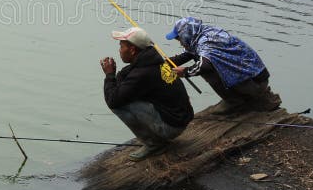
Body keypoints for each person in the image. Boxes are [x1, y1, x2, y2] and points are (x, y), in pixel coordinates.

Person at [101, 26, 194, 161]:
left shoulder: (142, 73)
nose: (119, 50)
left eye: (122, 46)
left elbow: (112, 100)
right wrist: (115, 77)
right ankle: (156, 139)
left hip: (172, 127)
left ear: (132, 50)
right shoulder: (153, 60)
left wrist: (109, 75)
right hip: (181, 118)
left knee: (118, 105)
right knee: (123, 95)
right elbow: (125, 77)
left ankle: (154, 144)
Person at [165, 17, 281, 114]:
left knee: (207, 69)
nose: (180, 42)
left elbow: (204, 66)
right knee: (200, 60)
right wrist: (162, 62)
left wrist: (185, 72)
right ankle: (238, 97)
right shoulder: (202, 34)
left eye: (179, 38)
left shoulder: (208, 41)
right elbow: (188, 54)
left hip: (255, 82)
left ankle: (235, 103)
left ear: (186, 34)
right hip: (254, 78)